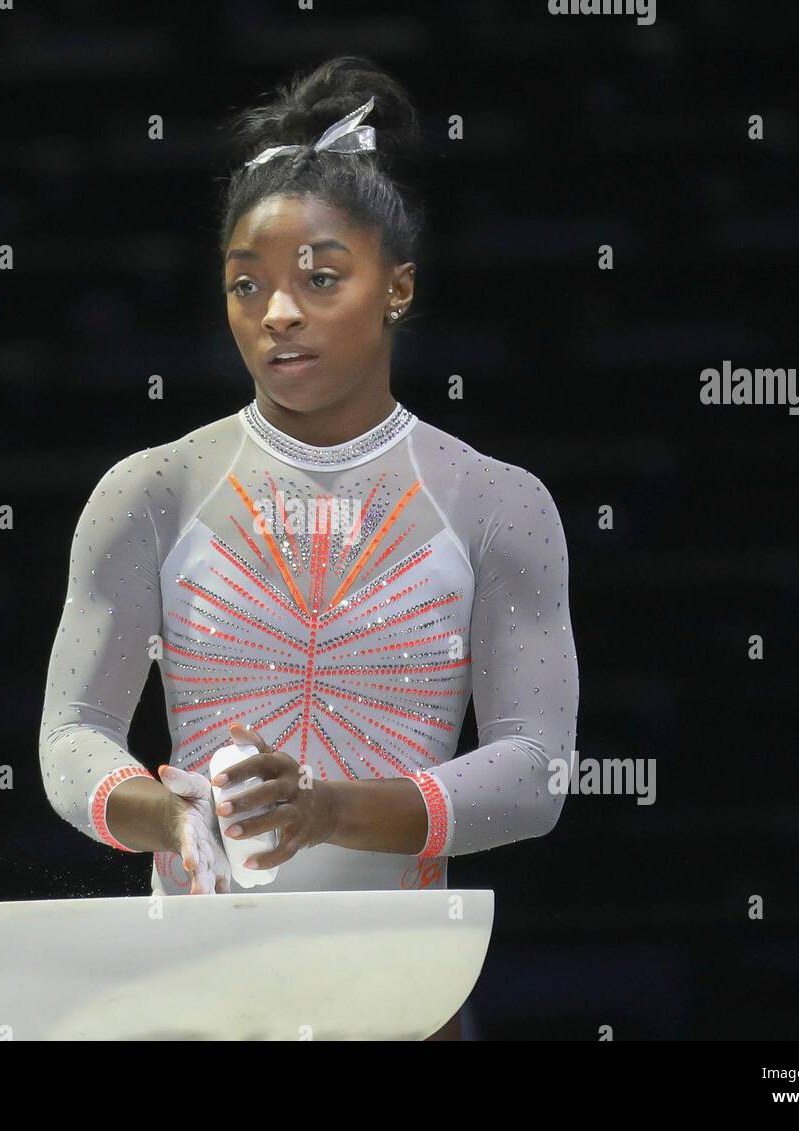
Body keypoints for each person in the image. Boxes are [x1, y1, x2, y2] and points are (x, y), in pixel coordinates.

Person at [37, 56, 579, 1041]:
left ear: (397, 287)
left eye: (319, 278)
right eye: (248, 285)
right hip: (195, 985)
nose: (278, 311)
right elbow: (70, 733)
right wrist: (164, 817)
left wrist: (330, 812)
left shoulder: (498, 503)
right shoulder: (150, 492)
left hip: (404, 991)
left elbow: (536, 768)